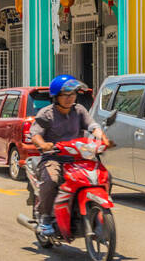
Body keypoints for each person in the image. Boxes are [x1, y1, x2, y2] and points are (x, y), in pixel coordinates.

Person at [27, 75, 110, 236]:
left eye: (72, 94)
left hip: (78, 158)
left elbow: (92, 125)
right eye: (65, 95)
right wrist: (43, 144)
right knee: (51, 180)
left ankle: (96, 208)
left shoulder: (79, 110)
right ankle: (45, 218)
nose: (69, 98)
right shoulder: (46, 113)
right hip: (54, 158)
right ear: (56, 97)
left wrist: (100, 135)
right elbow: (35, 134)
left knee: (105, 176)